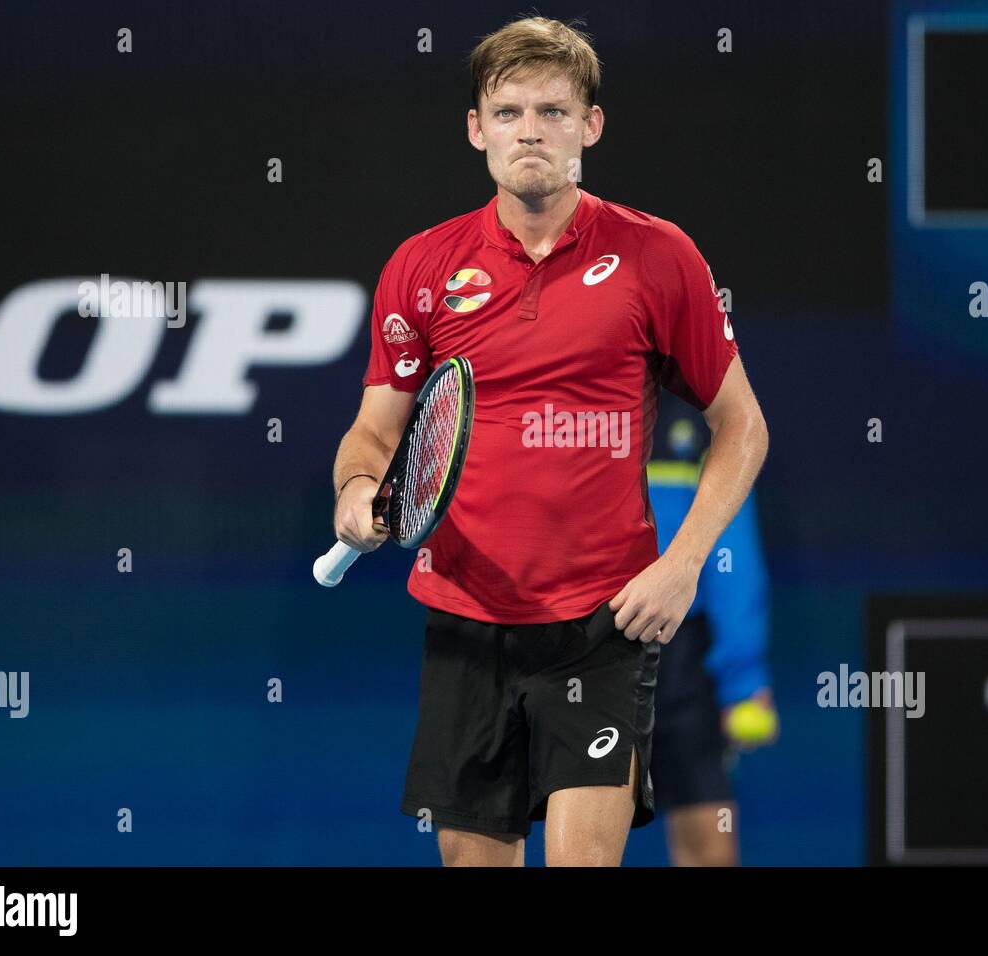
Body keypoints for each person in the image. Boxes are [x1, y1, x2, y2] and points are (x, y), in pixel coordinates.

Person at [330, 15, 768, 866]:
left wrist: (682, 565)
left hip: (601, 623)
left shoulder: (658, 255)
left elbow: (741, 426)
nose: (530, 130)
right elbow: (375, 432)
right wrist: (356, 491)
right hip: (465, 619)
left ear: (591, 126)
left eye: (554, 111)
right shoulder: (421, 267)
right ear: (476, 130)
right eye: (508, 112)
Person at [647, 405, 778, 866]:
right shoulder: (572, 408)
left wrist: (743, 680)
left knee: (707, 840)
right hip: (593, 649)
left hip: (685, 657)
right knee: (586, 834)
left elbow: (733, 552)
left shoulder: (706, 419)